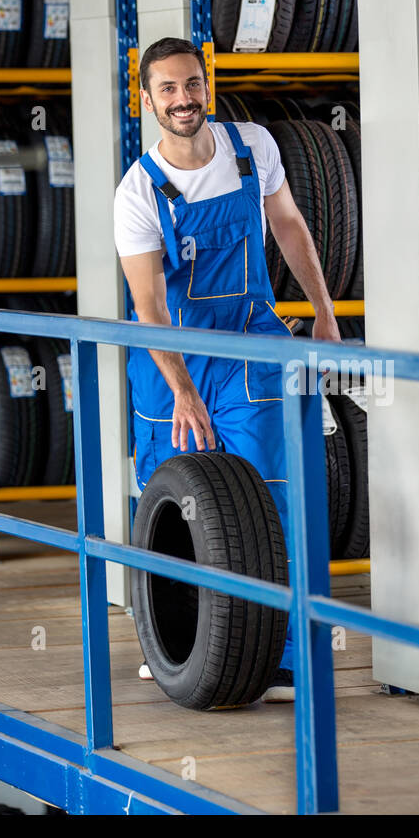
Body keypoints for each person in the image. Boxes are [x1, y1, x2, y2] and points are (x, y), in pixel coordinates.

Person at [113, 37, 340, 703]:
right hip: (171, 363)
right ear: (147, 99)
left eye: (192, 84)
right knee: (176, 503)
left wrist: (322, 314)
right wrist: (184, 391)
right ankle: (174, 646)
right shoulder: (138, 192)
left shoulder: (252, 148)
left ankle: (284, 655)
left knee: (272, 493)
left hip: (250, 349)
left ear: (205, 84)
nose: (183, 100)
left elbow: (291, 226)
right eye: (168, 90)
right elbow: (149, 307)